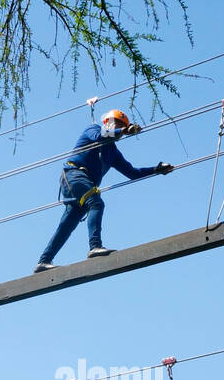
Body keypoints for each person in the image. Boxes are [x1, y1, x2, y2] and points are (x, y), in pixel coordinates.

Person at [33, 110, 174, 272]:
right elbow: (100, 136)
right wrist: (124, 130)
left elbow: (132, 173)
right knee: (96, 203)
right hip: (74, 175)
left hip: (83, 184)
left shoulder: (112, 152)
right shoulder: (93, 129)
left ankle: (43, 261)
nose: (117, 126)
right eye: (115, 123)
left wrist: (156, 169)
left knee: (68, 224)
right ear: (106, 122)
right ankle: (95, 247)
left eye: (121, 125)